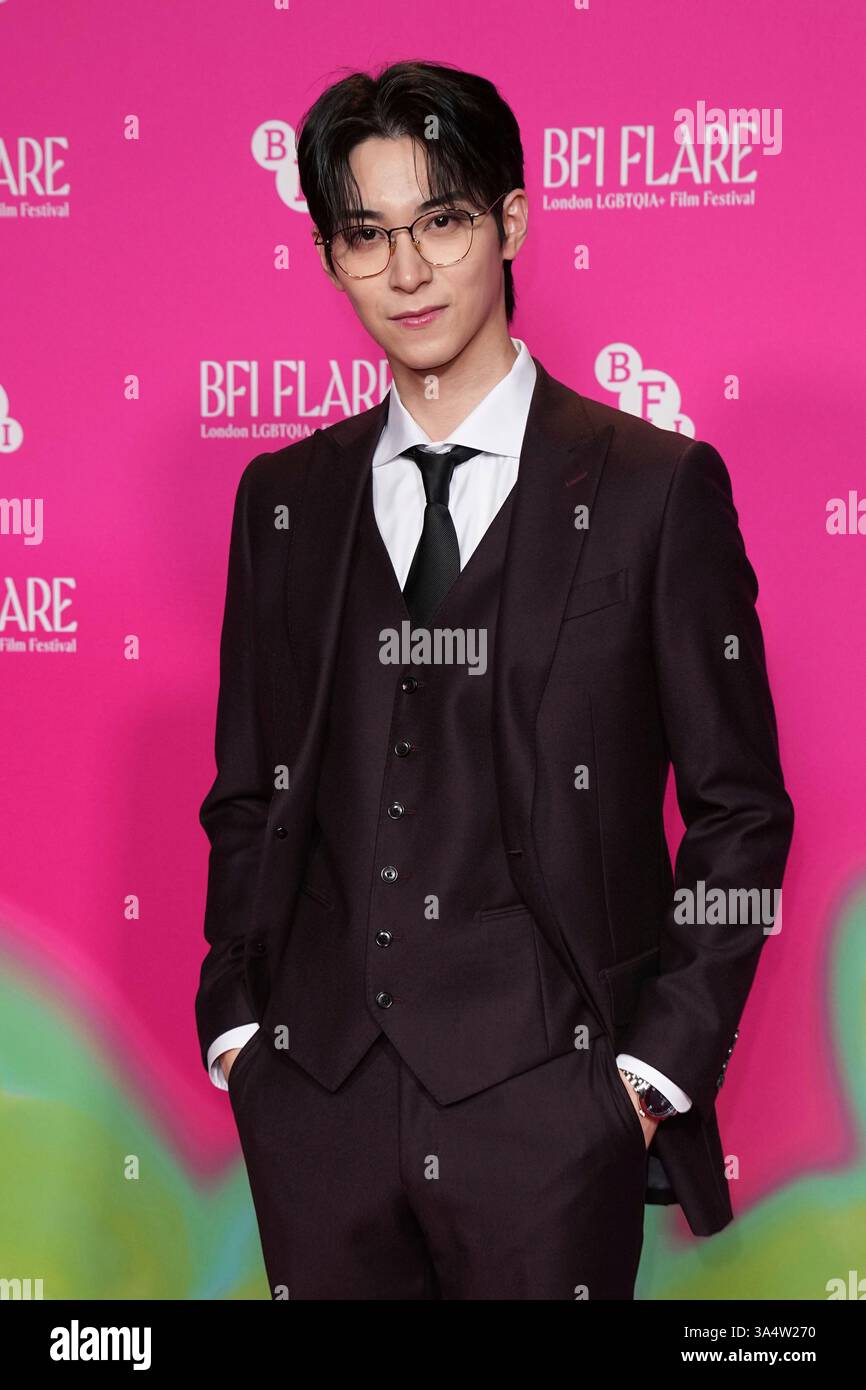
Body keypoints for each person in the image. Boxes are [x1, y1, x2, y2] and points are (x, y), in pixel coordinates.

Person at [194, 59, 794, 1300]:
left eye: (442, 221)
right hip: (318, 1110)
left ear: (510, 222)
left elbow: (740, 812)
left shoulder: (651, 488)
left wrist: (649, 1077)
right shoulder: (284, 503)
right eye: (366, 236)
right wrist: (240, 1028)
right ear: (328, 256)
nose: (406, 272)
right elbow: (248, 790)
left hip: (550, 1116)